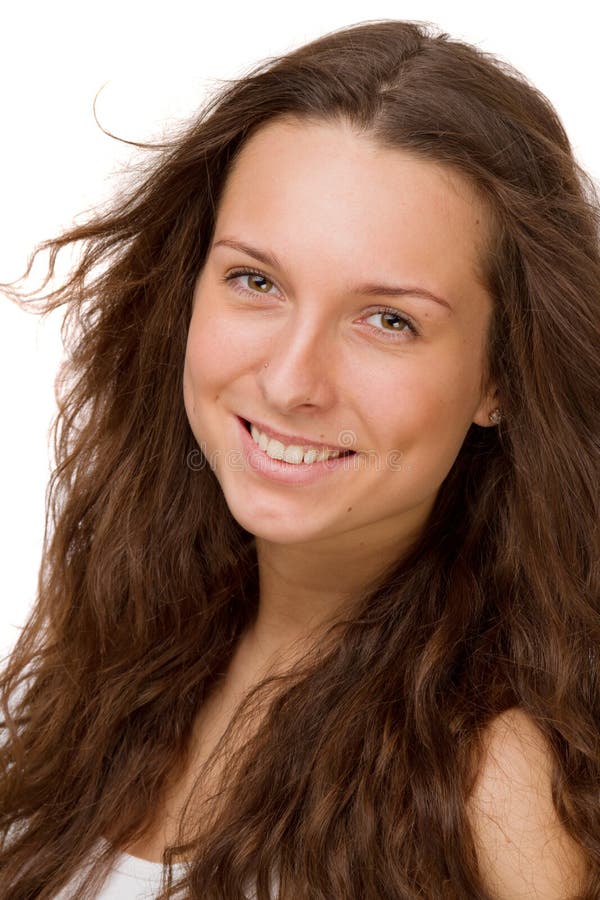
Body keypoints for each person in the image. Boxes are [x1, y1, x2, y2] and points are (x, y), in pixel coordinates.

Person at [1, 17, 598, 900]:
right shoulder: (93, 670)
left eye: (388, 320)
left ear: (502, 376)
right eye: (256, 281)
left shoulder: (500, 785)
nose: (289, 381)